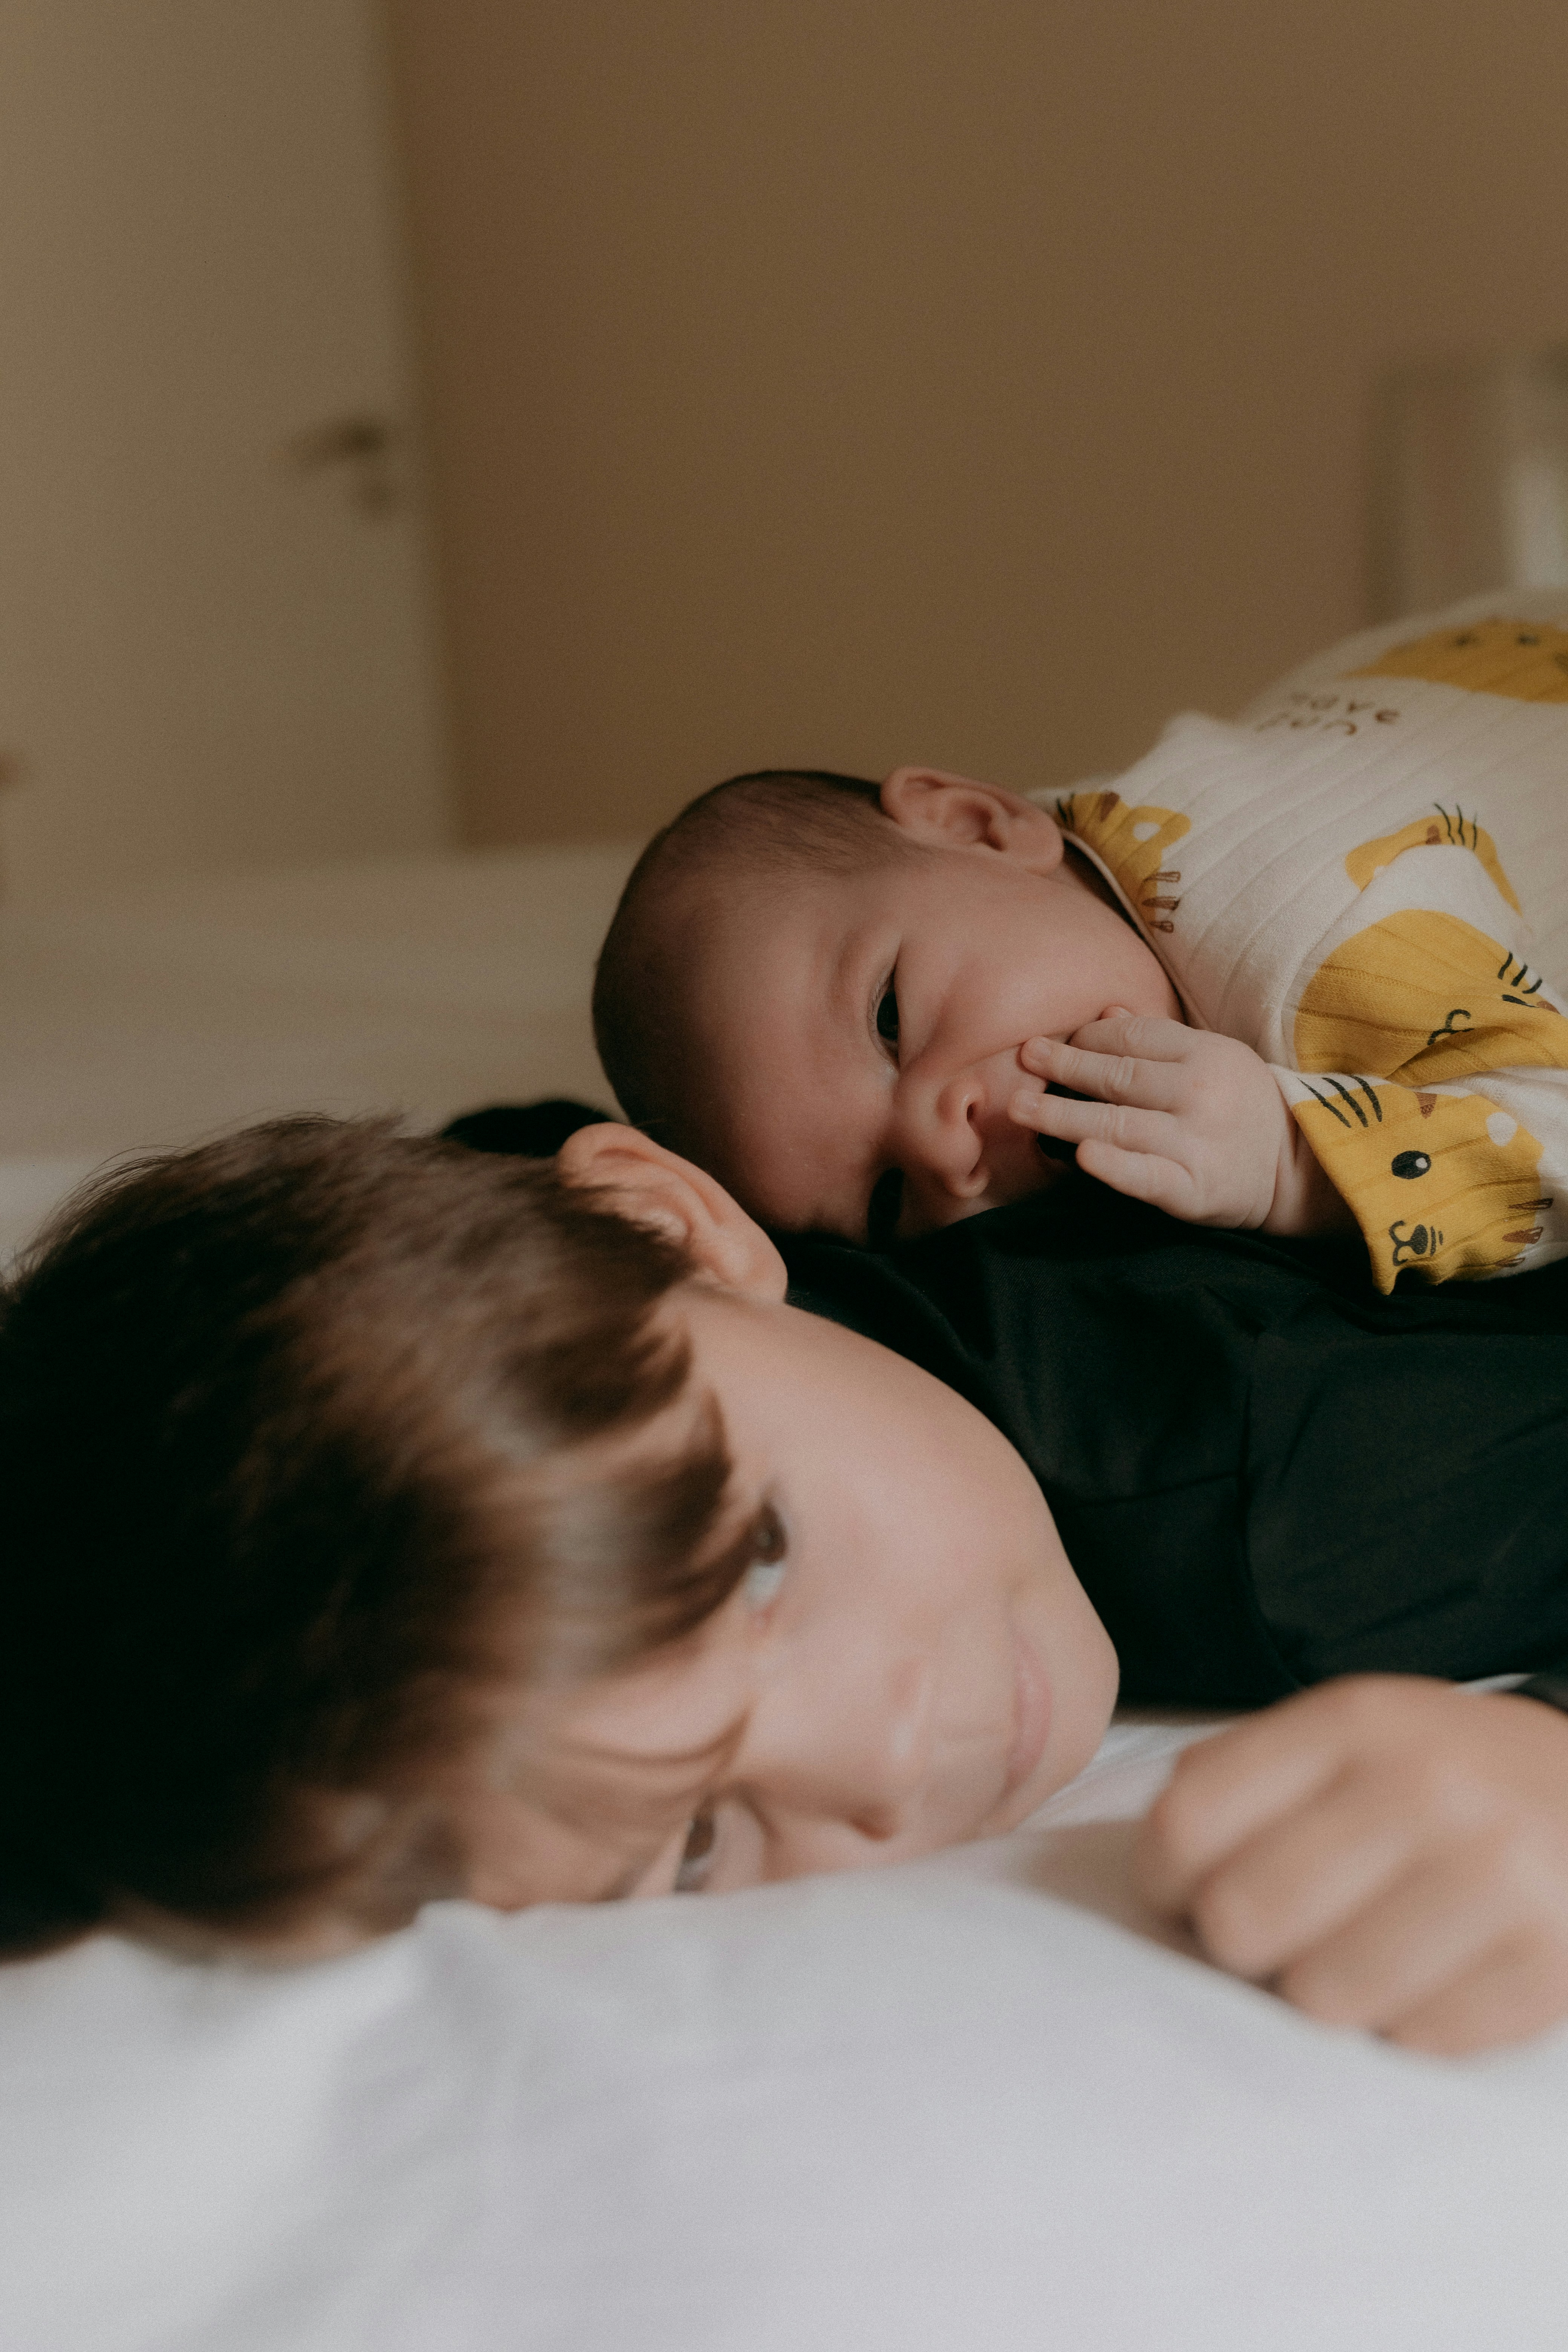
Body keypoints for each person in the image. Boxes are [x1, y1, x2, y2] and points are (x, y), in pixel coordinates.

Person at [6, 1114, 1568, 2056]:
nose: (885, 1762)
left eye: (759, 1560)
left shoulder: (1303, 1501)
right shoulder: (643, 1288)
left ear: (664, 1216)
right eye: (689, 1847)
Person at [591, 596, 1568, 1291]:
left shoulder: (1316, 938)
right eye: (888, 1202)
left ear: (981, 823)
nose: (945, 1151)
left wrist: (1294, 1160)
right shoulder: (1058, 880)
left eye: (892, 1019)